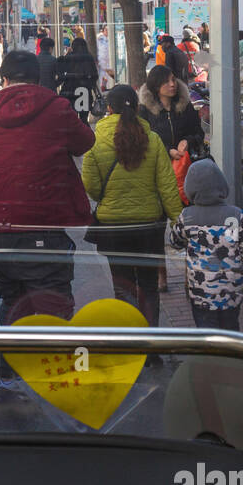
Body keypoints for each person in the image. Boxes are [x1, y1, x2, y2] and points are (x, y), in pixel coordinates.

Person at [0, 50, 95, 387]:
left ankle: (4, 374)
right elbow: (86, 142)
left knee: (13, 299)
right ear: (38, 78)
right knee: (53, 301)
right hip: (44, 225)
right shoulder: (56, 108)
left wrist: (2, 187)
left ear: (3, 78)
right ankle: (62, 378)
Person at [81, 83, 183, 328]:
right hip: (149, 226)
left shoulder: (94, 141)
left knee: (122, 287)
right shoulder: (153, 139)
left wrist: (106, 198)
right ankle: (152, 347)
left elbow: (90, 185)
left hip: (112, 228)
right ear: (137, 108)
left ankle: (130, 344)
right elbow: (167, 185)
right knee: (149, 287)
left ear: (108, 108)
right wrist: (178, 221)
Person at [167, 158, 243, 331]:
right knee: (231, 330)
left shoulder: (187, 216)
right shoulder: (235, 215)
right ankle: (230, 355)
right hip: (232, 290)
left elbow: (175, 242)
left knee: (206, 333)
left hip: (201, 292)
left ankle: (211, 358)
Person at [139, 65, 205, 291]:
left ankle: (190, 275)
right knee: (157, 228)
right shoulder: (144, 111)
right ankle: (161, 276)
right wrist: (167, 149)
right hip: (157, 175)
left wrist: (188, 140)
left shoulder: (185, 107)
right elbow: (143, 140)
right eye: (167, 81)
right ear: (156, 86)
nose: (172, 84)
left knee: (187, 225)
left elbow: (199, 133)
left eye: (174, 80)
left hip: (185, 175)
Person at [54, 35, 99, 123]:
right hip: (85, 92)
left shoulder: (69, 57)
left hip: (70, 92)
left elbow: (61, 73)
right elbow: (94, 76)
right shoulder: (88, 58)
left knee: (71, 120)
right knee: (84, 120)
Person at [96, 25, 114, 90]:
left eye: (108, 30)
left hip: (110, 64)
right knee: (101, 82)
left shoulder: (113, 37)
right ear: (103, 30)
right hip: (101, 63)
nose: (107, 31)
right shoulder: (99, 38)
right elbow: (97, 49)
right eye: (106, 30)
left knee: (110, 83)